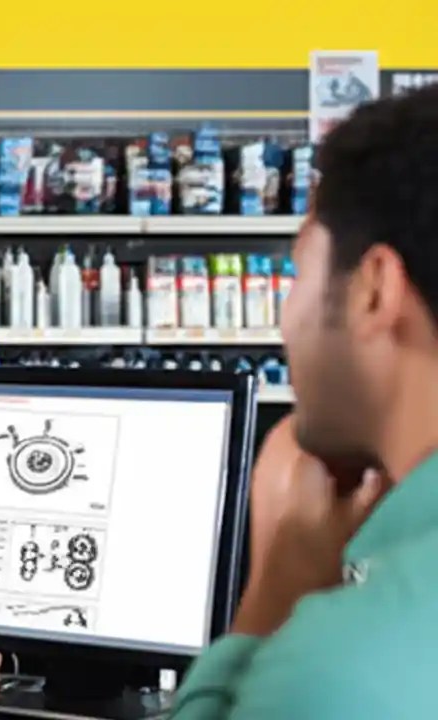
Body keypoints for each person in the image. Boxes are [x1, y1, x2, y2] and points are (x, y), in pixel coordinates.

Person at [172, 84, 438, 717]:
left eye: (298, 274)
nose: (287, 318)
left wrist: (279, 578)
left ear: (373, 289)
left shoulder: (346, 664)